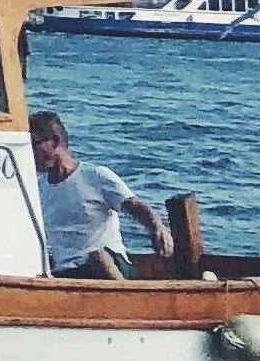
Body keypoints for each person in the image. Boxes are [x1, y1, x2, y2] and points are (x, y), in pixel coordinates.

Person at [30, 108, 170, 274]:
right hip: (67, 272)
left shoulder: (96, 175)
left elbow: (135, 206)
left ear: (55, 141)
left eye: (33, 144)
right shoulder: (39, 187)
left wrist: (157, 227)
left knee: (98, 258)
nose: (30, 152)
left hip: (109, 266)